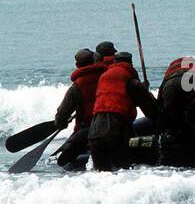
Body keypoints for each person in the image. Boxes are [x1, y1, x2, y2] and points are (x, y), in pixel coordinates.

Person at [88, 51, 158, 170]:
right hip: (117, 133)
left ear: (114, 62)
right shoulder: (132, 82)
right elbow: (152, 112)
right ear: (130, 64)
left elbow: (118, 99)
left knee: (101, 173)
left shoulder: (103, 78)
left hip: (94, 132)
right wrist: (145, 92)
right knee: (125, 168)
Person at [54, 42, 115, 170]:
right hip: (110, 123)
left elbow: (63, 113)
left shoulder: (77, 86)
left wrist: (61, 122)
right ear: (94, 60)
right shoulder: (106, 76)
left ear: (77, 65)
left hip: (87, 128)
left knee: (61, 155)